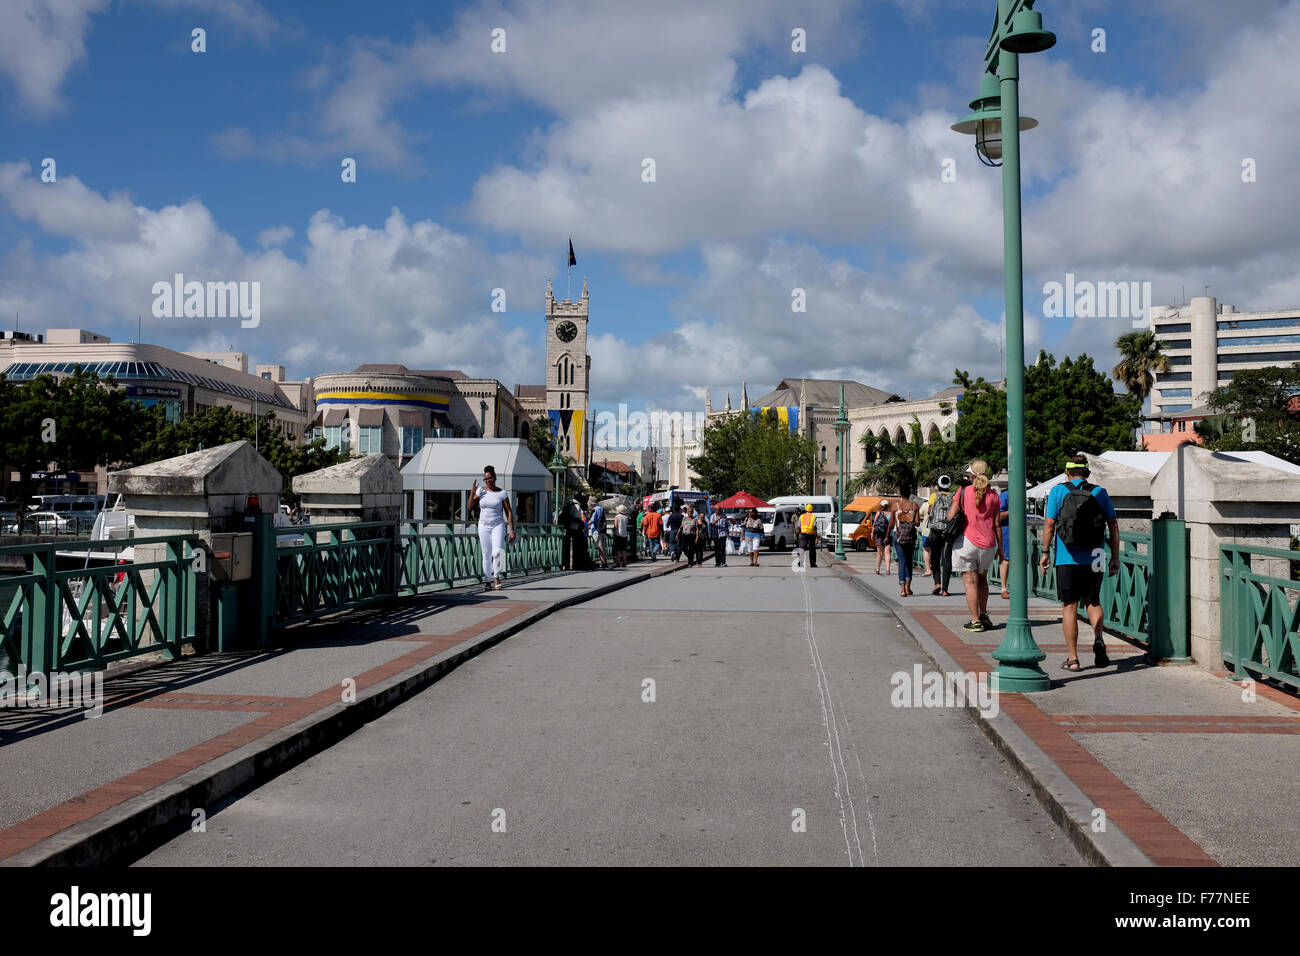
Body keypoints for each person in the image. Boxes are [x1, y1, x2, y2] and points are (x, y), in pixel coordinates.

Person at [1042, 453, 1119, 672]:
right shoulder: (1099, 492)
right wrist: (1114, 556)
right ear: (1087, 472)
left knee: (1069, 606)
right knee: (1093, 601)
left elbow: (1049, 524)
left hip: (1067, 557)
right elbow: (1113, 524)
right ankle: (1098, 638)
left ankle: (1073, 658)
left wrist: (1046, 552)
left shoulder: (1058, 491)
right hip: (1095, 555)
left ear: (1067, 472)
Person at [951, 461, 1003, 632]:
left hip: (968, 542)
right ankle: (983, 614)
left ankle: (975, 621)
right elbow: (996, 525)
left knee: (970, 582)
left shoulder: (963, 492)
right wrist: (1000, 549)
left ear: (971, 475)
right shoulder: (994, 496)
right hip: (989, 545)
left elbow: (951, 515)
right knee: (982, 580)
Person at [467, 466, 516, 590]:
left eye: (490, 478)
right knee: (486, 554)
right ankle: (487, 581)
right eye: (485, 479)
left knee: (498, 551)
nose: (488, 481)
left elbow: (509, 512)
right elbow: (469, 507)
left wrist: (512, 529)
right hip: (483, 525)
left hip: (498, 525)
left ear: (495, 478)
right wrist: (473, 491)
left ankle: (497, 577)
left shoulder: (502, 493)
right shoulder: (480, 491)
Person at [927, 476, 955, 596]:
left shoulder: (934, 496)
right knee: (946, 559)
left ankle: (937, 583)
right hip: (948, 531)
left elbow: (929, 511)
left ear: (938, 485)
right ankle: (945, 589)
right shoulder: (954, 496)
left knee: (935, 558)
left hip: (935, 531)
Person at [891, 502, 919, 597]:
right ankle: (908, 588)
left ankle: (902, 590)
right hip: (910, 537)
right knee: (908, 562)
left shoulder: (895, 506)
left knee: (901, 562)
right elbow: (917, 523)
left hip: (898, 536)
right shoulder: (915, 506)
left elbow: (891, 523)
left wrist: (887, 536)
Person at [996, 476, 1011, 600]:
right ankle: (1004, 588)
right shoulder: (1005, 496)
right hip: (1007, 531)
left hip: (1017, 532)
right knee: (1007, 560)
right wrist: (1013, 511)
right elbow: (998, 516)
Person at [586, 496, 609, 569]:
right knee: (603, 547)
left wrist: (585, 525)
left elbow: (592, 521)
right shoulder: (601, 508)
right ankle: (605, 562)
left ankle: (603, 563)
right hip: (602, 530)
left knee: (600, 547)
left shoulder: (595, 510)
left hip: (597, 531)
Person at [872, 500, 892, 575]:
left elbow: (874, 523)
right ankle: (888, 570)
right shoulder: (891, 514)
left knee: (879, 552)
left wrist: (872, 533)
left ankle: (878, 569)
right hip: (888, 534)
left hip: (879, 534)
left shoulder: (879, 513)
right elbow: (892, 525)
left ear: (881, 506)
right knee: (887, 552)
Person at [917, 485, 934, 577]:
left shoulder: (925, 505)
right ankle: (937, 569)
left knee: (926, 550)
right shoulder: (941, 503)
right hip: (939, 531)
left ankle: (928, 570)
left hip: (927, 531)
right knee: (937, 551)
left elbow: (918, 516)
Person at [796, 503, 819, 569]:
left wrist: (800, 533)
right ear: (812, 510)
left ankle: (800, 563)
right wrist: (816, 537)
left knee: (801, 549)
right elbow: (814, 527)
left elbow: (798, 526)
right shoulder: (813, 516)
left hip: (803, 534)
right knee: (812, 550)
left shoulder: (801, 516)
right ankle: (812, 564)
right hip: (811, 535)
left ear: (806, 509)